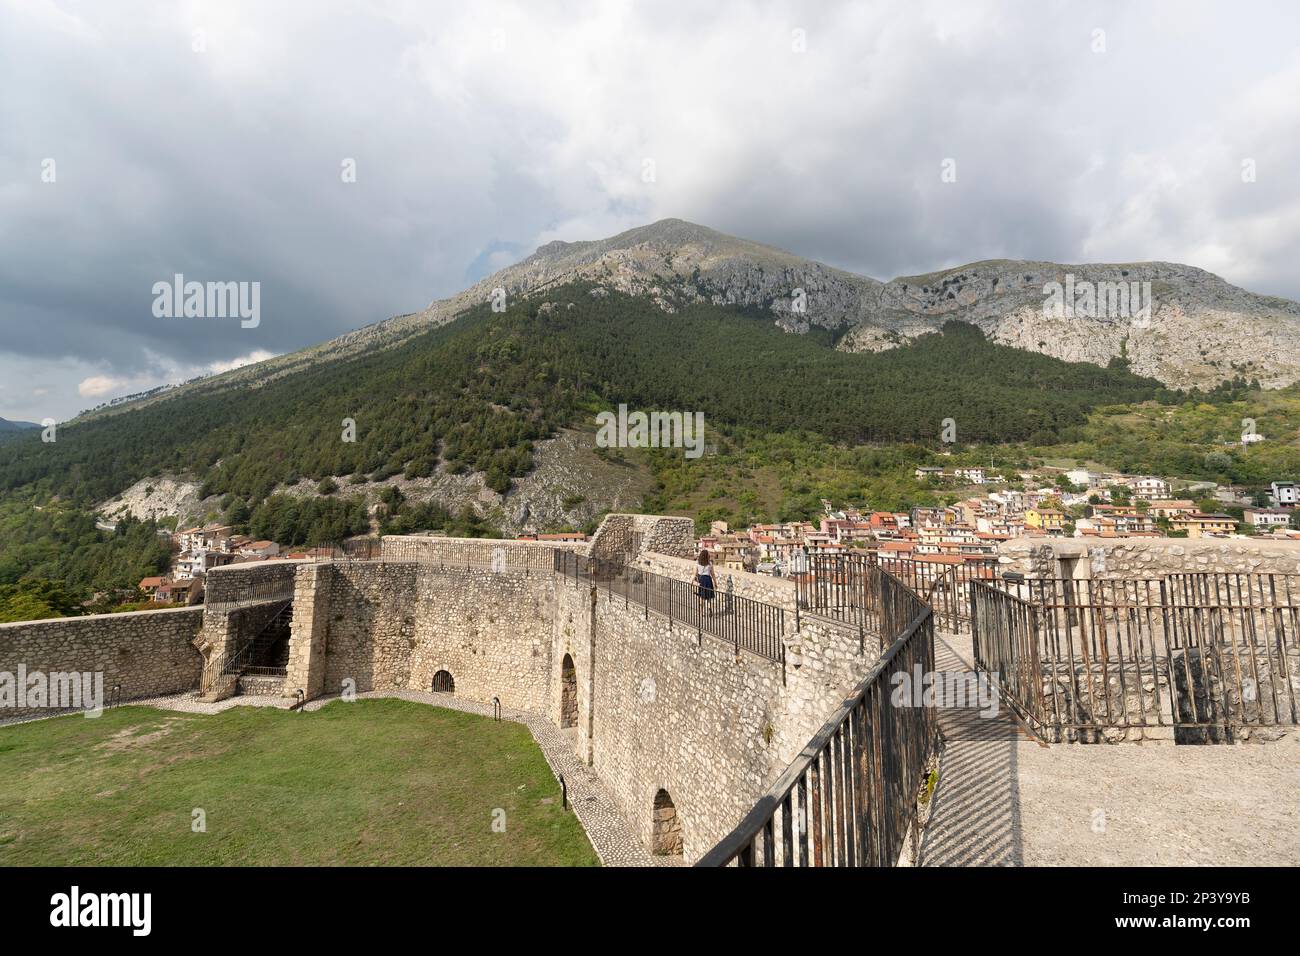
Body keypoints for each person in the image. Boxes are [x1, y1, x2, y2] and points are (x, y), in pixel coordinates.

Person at [694, 548, 716, 614]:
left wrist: (692, 581)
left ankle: (701, 612)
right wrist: (715, 582)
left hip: (701, 580)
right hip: (708, 580)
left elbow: (695, 573)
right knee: (708, 596)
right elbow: (713, 574)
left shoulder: (698, 563)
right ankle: (709, 608)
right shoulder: (710, 563)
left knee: (702, 596)